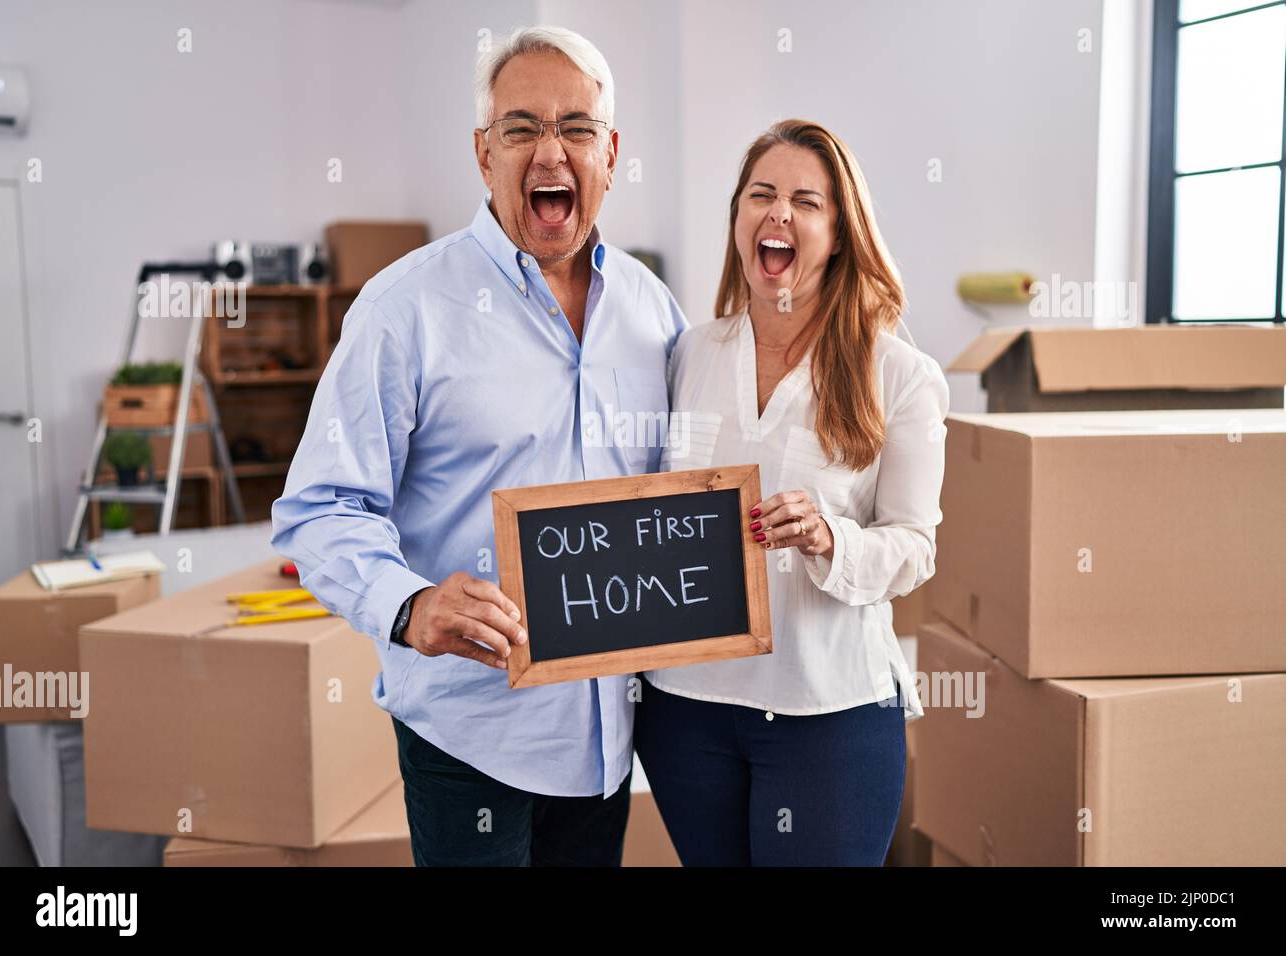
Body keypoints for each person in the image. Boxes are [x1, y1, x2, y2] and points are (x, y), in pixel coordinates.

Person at [271, 25, 687, 866]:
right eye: (520, 127)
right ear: (482, 152)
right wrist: (410, 606)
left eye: (575, 128)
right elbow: (319, 509)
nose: (549, 152)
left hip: (607, 735)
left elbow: (677, 488)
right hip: (471, 736)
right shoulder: (406, 308)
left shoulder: (652, 310)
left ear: (611, 152)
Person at [634, 119, 948, 866]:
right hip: (685, 711)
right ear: (738, 219)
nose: (778, 213)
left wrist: (828, 536)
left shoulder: (898, 375)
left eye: (805, 202)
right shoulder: (688, 354)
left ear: (838, 233)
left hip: (828, 714)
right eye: (761, 195)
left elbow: (914, 548)